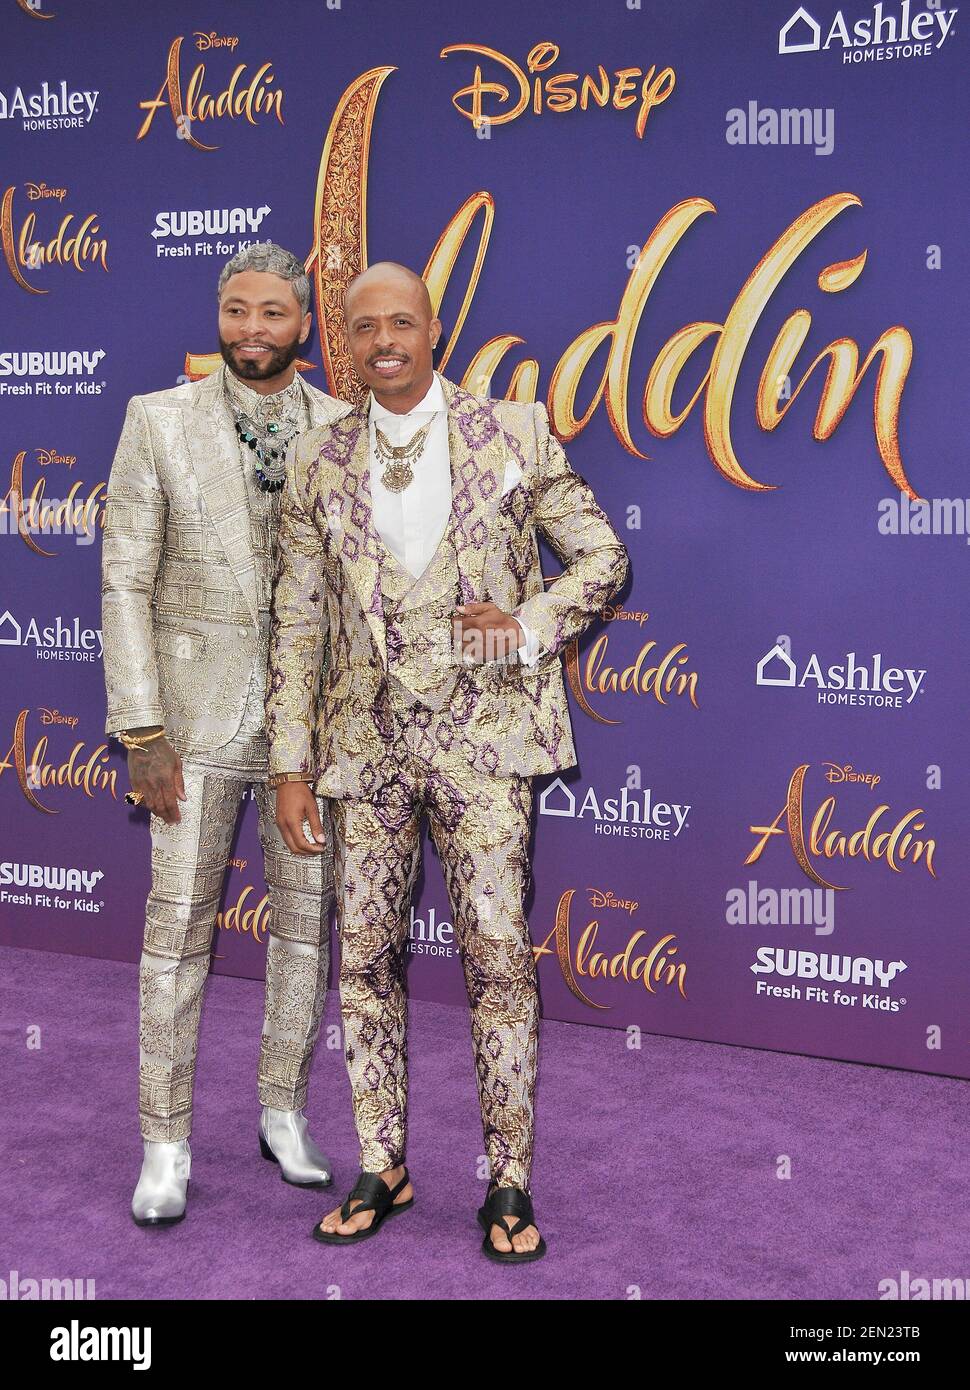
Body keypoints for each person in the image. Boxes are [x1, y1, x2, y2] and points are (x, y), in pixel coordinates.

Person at [268, 262, 628, 1263]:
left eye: (402, 322)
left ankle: (507, 1180)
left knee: (497, 955)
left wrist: (521, 627)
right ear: (342, 340)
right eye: (365, 327)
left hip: (485, 747)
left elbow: (602, 557)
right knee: (367, 958)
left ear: (433, 327)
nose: (385, 341)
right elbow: (298, 624)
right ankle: (382, 1161)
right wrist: (290, 766)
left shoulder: (511, 433)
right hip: (366, 746)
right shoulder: (316, 459)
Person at [101, 242, 347, 1226]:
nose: (253, 329)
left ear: (303, 323)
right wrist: (141, 726)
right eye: (238, 311)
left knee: (302, 933)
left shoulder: (346, 426)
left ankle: (282, 1110)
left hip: (311, 737)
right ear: (220, 317)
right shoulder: (156, 422)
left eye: (273, 313)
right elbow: (123, 580)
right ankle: (164, 1141)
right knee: (175, 939)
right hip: (190, 727)